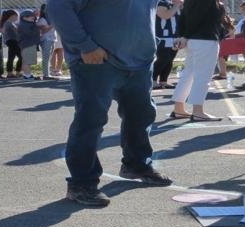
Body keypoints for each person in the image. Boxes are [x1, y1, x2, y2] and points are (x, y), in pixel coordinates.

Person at [45, 0, 173, 208]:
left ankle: (137, 164)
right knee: (91, 120)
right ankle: (82, 183)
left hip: (140, 61)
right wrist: (85, 45)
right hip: (97, 61)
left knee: (141, 115)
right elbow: (59, 6)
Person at [169, 0, 222, 121]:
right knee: (202, 77)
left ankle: (179, 109)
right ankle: (198, 111)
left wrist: (182, 36)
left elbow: (183, 17)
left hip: (192, 41)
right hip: (205, 40)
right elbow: (198, 18)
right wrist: (185, 36)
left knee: (188, 75)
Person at [151, 0, 177, 90]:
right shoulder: (161, 2)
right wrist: (176, 6)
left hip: (174, 36)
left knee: (170, 60)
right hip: (162, 36)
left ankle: (163, 80)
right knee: (163, 58)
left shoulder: (172, 3)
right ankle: (153, 80)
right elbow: (164, 15)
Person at [14, 9, 39, 80]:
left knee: (28, 60)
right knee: (27, 61)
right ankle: (27, 75)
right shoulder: (24, 24)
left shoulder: (29, 23)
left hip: (29, 44)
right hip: (27, 44)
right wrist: (35, 25)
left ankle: (28, 74)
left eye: (32, 16)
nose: (32, 17)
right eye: (29, 16)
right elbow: (29, 33)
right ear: (23, 17)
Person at [1, 9, 20, 77]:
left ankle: (12, 72)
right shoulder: (9, 23)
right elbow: (18, 31)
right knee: (19, 57)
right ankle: (13, 73)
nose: (18, 18)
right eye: (17, 16)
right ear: (12, 16)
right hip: (13, 41)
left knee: (12, 57)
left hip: (12, 41)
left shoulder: (8, 22)